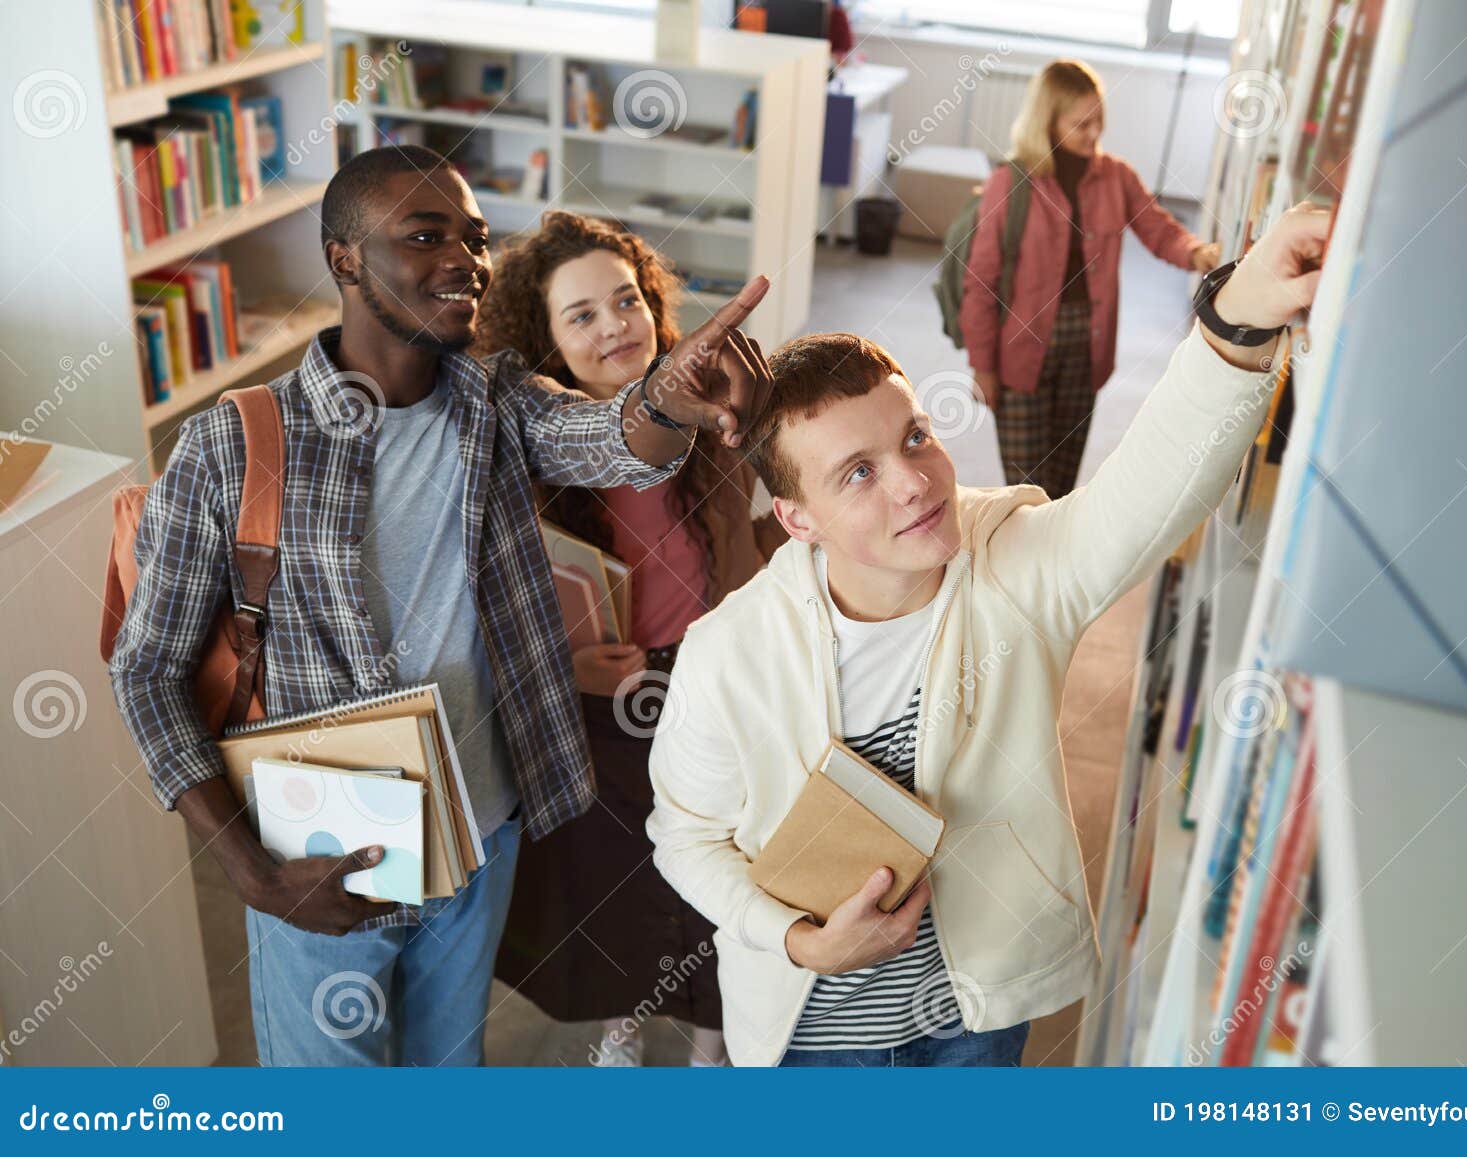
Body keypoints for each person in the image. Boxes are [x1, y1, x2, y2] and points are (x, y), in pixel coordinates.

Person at [109, 145, 774, 1067]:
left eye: (473, 236)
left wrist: (669, 391)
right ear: (345, 258)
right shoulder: (233, 443)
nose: (464, 258)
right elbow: (146, 672)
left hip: (481, 836)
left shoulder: (499, 401)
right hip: (322, 853)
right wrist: (254, 873)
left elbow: (612, 437)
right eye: (425, 236)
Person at [648, 204, 1329, 1066]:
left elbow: (1155, 482)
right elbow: (687, 836)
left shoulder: (1014, 568)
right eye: (858, 473)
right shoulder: (728, 653)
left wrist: (1238, 317)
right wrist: (798, 941)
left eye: (915, 438)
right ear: (795, 518)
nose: (914, 483)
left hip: (971, 1023)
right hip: (808, 1041)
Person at [473, 211, 785, 1067]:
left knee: (721, 862)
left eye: (628, 299)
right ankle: (624, 1025)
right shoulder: (528, 451)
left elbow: (766, 533)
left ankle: (714, 1039)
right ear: (546, 340)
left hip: (711, 677)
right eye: (582, 315)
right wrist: (570, 663)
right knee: (624, 874)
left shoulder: (707, 413)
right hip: (604, 693)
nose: (615, 324)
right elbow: (494, 603)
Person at [961, 58, 1223, 499]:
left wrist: (1196, 253)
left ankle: (1052, 565)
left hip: (1087, 346)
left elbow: (1157, 228)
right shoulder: (1010, 185)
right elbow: (980, 283)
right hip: (1021, 352)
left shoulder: (1115, 177)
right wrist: (982, 367)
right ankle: (1027, 562)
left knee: (1060, 485)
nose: (1093, 132)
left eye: (1098, 119)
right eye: (1079, 123)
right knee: (1027, 488)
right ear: (1048, 120)